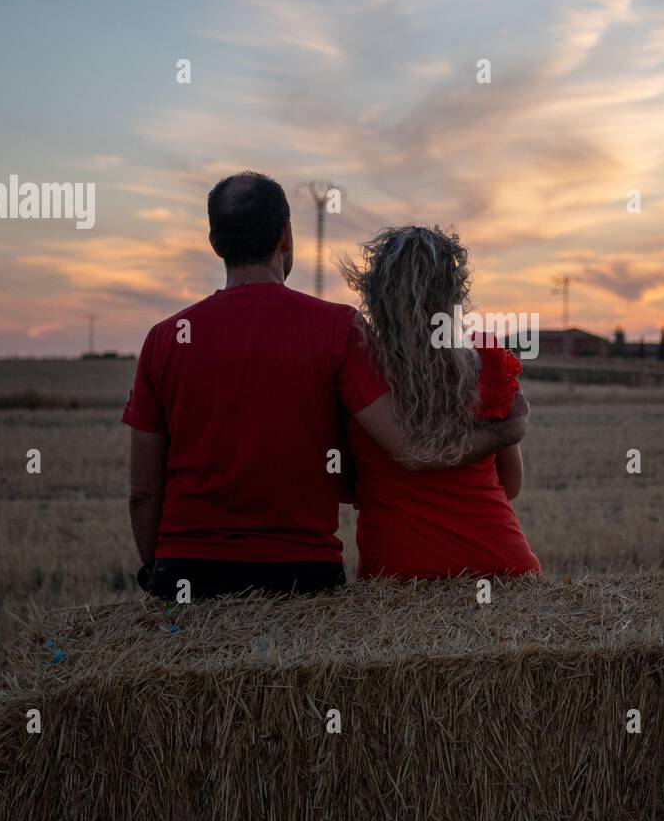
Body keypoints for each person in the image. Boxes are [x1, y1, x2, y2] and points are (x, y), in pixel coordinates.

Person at [123, 173, 528, 599]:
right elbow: (412, 451)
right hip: (300, 572)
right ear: (287, 236)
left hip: (187, 567)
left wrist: (159, 573)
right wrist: (506, 431)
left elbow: (142, 492)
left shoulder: (164, 338)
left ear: (213, 241)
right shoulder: (337, 330)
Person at [339, 225, 541, 580]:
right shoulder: (488, 360)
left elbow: (344, 483)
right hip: (502, 567)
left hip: (398, 576)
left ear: (374, 293)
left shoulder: (357, 366)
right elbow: (511, 485)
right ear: (456, 294)